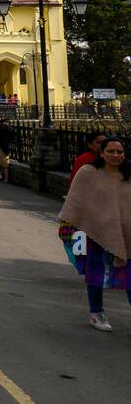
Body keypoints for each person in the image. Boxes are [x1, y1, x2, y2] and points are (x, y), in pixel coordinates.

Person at [58, 137, 131, 332]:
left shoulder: (128, 174)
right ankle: (96, 312)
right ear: (102, 153)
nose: (116, 155)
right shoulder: (88, 173)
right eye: (111, 151)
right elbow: (76, 202)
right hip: (94, 233)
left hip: (126, 235)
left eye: (120, 152)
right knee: (96, 274)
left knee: (129, 276)